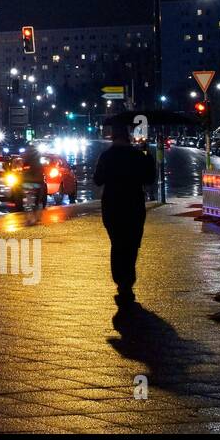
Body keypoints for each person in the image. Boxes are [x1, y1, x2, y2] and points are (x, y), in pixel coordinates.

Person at [93, 125, 156, 305]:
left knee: (117, 244)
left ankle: (121, 282)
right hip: (133, 206)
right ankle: (127, 281)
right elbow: (149, 178)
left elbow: (97, 180)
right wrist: (147, 155)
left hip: (112, 207)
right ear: (128, 136)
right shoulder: (137, 156)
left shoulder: (106, 156)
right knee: (131, 245)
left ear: (113, 137)